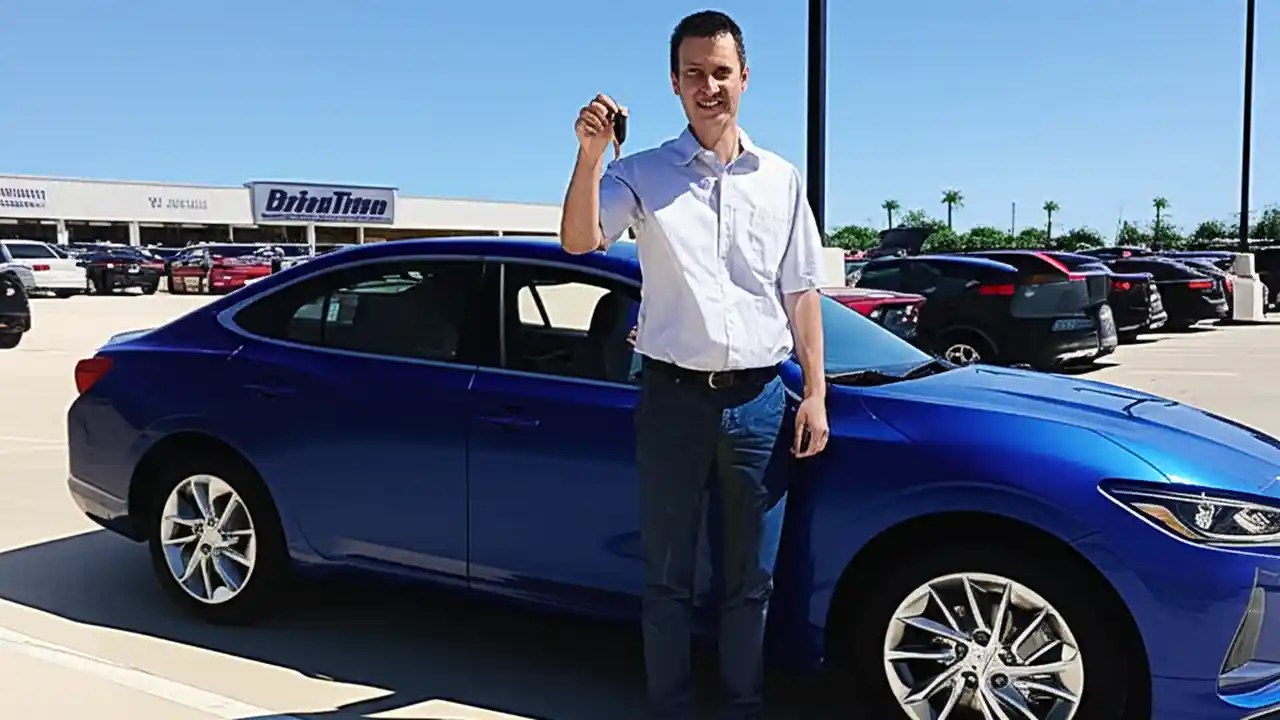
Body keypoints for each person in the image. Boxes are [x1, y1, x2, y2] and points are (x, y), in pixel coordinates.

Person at [558, 9, 828, 719]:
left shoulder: (781, 178)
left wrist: (817, 395)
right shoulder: (642, 174)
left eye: (720, 72)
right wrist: (590, 156)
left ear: (744, 77)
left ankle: (743, 705)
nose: (708, 86)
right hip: (673, 401)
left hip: (763, 402)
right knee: (668, 578)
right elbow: (581, 240)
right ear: (674, 85)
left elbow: (801, 290)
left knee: (751, 579)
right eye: (693, 74)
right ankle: (671, 707)